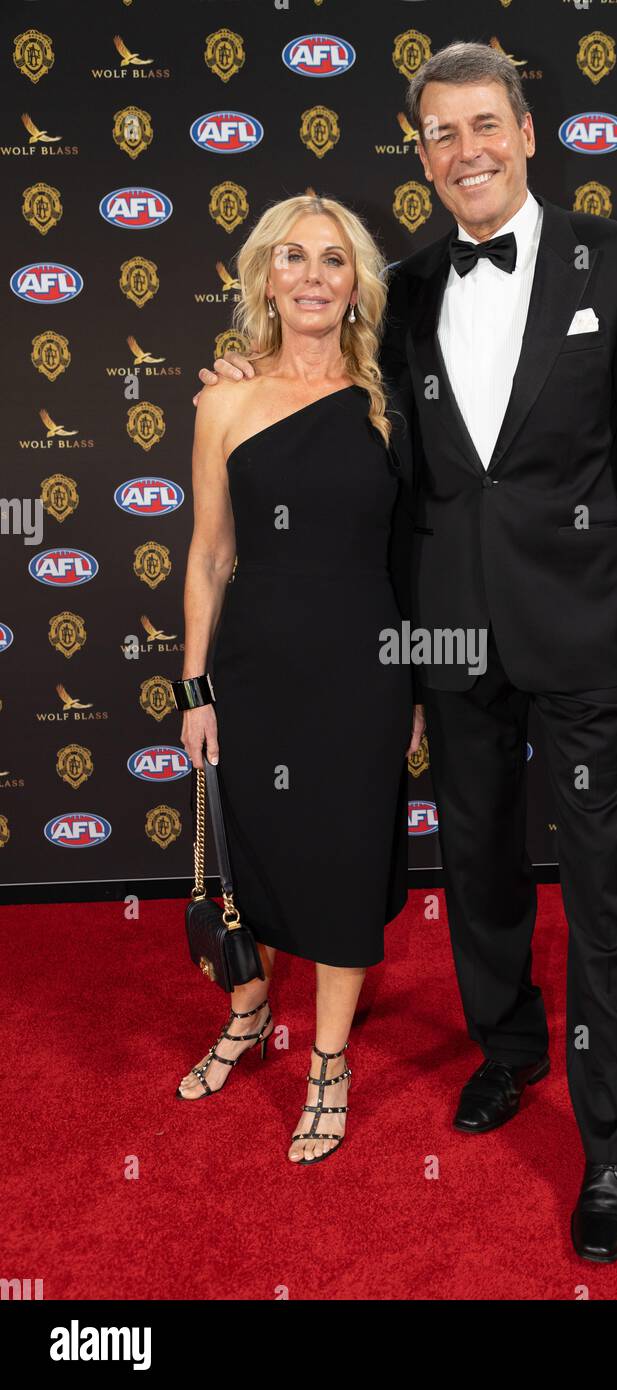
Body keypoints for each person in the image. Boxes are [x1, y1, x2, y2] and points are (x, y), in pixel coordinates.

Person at [198, 42, 617, 1259]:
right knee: (475, 872)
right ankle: (509, 1051)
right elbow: (354, 453)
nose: (465, 149)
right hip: (446, 638)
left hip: (586, 628)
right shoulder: (406, 288)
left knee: (597, 894)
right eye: (440, 134)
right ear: (421, 156)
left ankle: (612, 1152)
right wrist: (242, 383)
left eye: (485, 124)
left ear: (528, 132)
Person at [177, 192, 424, 1166]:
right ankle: (247, 1014)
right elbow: (207, 554)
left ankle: (328, 1062)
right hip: (255, 668)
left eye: (334, 259)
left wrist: (409, 685)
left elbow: (413, 560)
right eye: (294, 258)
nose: (314, 276)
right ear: (267, 279)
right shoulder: (224, 400)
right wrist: (194, 689)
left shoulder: (390, 405)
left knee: (343, 861)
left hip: (362, 667)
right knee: (256, 849)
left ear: (356, 283)